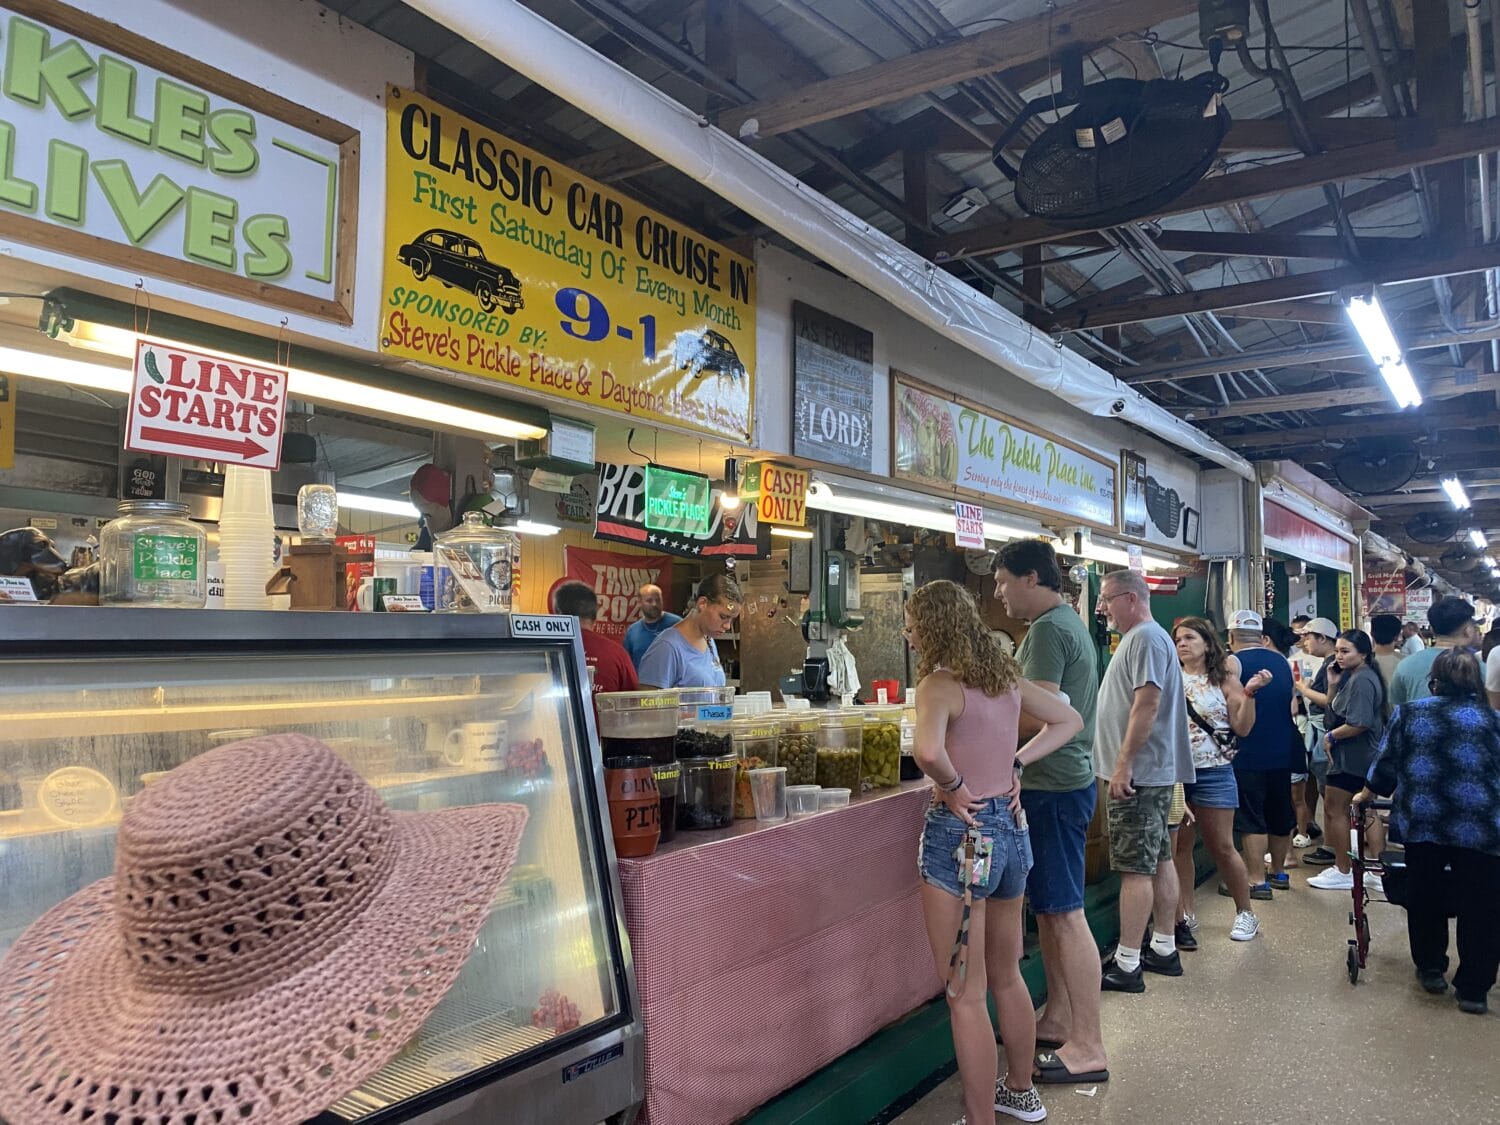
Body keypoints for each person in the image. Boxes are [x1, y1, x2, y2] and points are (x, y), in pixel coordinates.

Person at [907, 580, 1083, 1122]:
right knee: (1007, 975)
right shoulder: (1005, 679)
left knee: (965, 992)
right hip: (1011, 832)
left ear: (932, 627)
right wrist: (1016, 765)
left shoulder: (940, 684)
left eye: (912, 624)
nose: (909, 635)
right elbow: (1069, 721)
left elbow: (927, 750)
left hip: (960, 839)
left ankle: (981, 1117)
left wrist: (953, 783)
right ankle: (1021, 1091)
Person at [993, 539, 1106, 1084]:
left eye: (1002, 581)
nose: (999, 593)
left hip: (1052, 787)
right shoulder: (1065, 625)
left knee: (1064, 914)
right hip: (1062, 783)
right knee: (1051, 911)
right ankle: (1061, 1016)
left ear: (1031, 578)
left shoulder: (1047, 631)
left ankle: (1089, 1044)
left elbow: (1036, 716)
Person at [1357, 651, 1500, 1015]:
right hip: (1482, 827)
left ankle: (1432, 968)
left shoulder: (1412, 713)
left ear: (1435, 682)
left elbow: (1387, 764)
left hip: (1425, 822)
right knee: (1482, 906)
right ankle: (1474, 990)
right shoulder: (1493, 720)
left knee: (1426, 896)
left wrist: (1366, 794)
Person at [1093, 570, 1194, 994]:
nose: (1102, 609)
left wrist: (1123, 764)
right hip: (1149, 772)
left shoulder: (1146, 638)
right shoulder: (1145, 639)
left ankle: (1128, 962)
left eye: (1107, 600)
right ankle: (1164, 947)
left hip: (1139, 774)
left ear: (1131, 598)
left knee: (1135, 869)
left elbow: (1147, 704)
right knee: (1157, 861)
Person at [1171, 616, 1268, 944]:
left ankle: (1246, 912)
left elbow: (1242, 727)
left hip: (1214, 772)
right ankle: (1185, 913)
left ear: (1207, 643)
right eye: (1178, 639)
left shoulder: (1224, 679)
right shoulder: (1170, 678)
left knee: (1222, 846)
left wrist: (1251, 695)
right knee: (1180, 846)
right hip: (1177, 774)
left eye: (1190, 638)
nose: (1182, 644)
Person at [1224, 611, 1298, 894]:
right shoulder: (1282, 661)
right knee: (1279, 813)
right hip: (1281, 751)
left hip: (1247, 752)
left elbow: (1229, 708)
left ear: (1231, 637)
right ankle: (1279, 873)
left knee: (1252, 816)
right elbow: (1292, 704)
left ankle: (1256, 879)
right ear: (1261, 636)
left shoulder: (1232, 662)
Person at [1307, 630, 1386, 892]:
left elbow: (1359, 722)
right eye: (1338, 651)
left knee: (1335, 809)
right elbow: (1334, 708)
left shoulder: (1362, 680)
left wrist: (1331, 736)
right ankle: (1375, 868)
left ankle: (1344, 868)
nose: (1339, 656)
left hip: (1354, 757)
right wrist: (1331, 683)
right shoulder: (1352, 677)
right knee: (1367, 810)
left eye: (1346, 651)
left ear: (1362, 653)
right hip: (1358, 756)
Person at [638, 574, 741, 690]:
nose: (727, 626)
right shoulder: (667, 647)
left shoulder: (708, 640)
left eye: (732, 619)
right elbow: (647, 702)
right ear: (702, 603)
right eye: (723, 616)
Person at [1292, 618, 1341, 863]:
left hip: (1325, 730)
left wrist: (1302, 688)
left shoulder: (1334, 664)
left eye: (1309, 637)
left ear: (1323, 638)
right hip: (1320, 729)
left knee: (1329, 791)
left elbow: (1327, 701)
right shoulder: (1328, 663)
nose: (1305, 642)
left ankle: (1333, 848)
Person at [551, 581, 638, 697]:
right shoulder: (617, 654)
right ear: (595, 615)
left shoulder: (545, 651)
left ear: (558, 614)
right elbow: (633, 701)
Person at [1389, 597, 1477, 709]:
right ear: (1468, 630)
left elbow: (1398, 708)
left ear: (1432, 630)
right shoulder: (1478, 667)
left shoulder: (1405, 665)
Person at [623, 582, 682, 669]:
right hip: (642, 681)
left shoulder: (678, 624)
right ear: (639, 603)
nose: (654, 604)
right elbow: (627, 663)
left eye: (658, 600)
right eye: (649, 601)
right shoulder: (633, 631)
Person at [1370, 613, 1405, 716]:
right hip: (1400, 720)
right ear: (1397, 636)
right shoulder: (1406, 662)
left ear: (1372, 633)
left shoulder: (1363, 661)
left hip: (1371, 723)